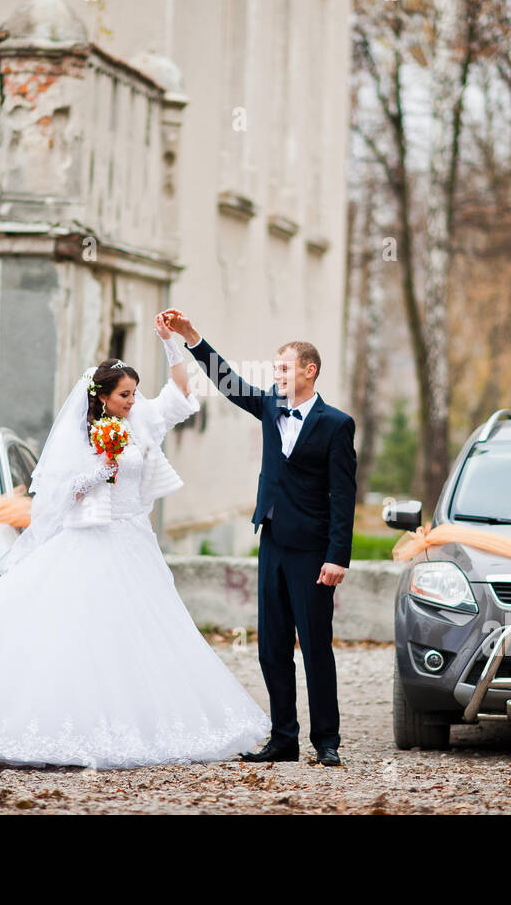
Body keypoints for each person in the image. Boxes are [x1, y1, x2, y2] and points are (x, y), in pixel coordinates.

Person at [0, 316, 270, 769]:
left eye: (134, 393)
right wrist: (104, 468)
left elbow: (180, 393)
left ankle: (136, 724)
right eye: (123, 395)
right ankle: (67, 728)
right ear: (101, 396)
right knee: (81, 633)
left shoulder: (140, 419)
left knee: (140, 634)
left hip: (134, 540)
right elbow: (60, 493)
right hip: (91, 541)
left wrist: (171, 344)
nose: (131, 401)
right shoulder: (81, 432)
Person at [159, 308, 356, 767]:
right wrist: (192, 338)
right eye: (275, 368)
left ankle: (326, 741)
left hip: (313, 552)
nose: (277, 375)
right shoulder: (269, 404)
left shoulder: (336, 424)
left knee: (315, 649)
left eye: (285, 368)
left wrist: (337, 556)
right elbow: (228, 382)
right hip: (272, 544)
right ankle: (283, 739)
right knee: (271, 649)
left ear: (310, 371)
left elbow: (344, 495)